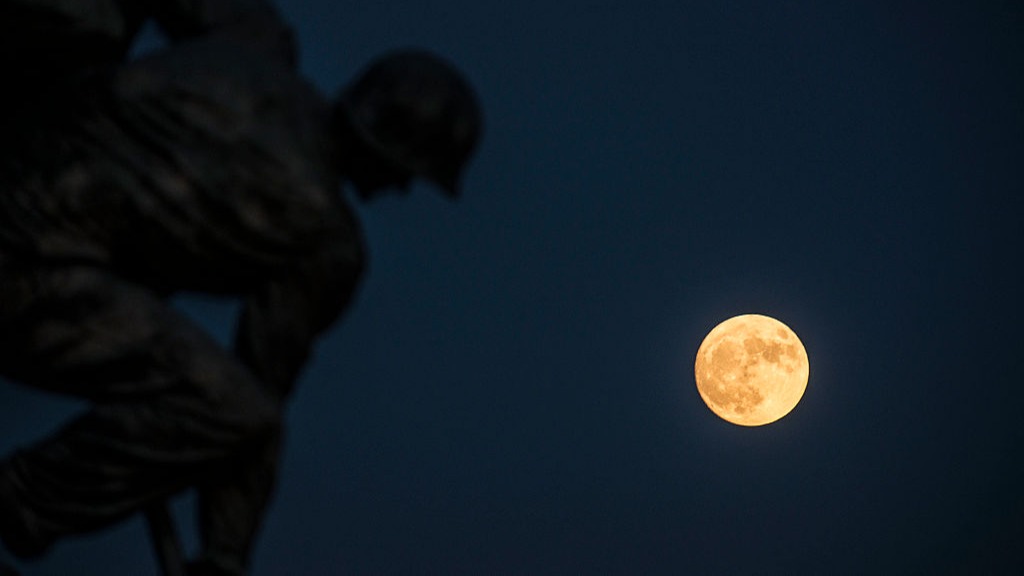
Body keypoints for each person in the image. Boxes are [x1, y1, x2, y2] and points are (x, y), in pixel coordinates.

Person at [0, 0, 483, 574]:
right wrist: (226, 555)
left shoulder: (252, 43)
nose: (402, 189)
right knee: (231, 409)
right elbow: (257, 410)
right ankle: (23, 497)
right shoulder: (325, 239)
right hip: (24, 272)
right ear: (392, 150)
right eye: (411, 173)